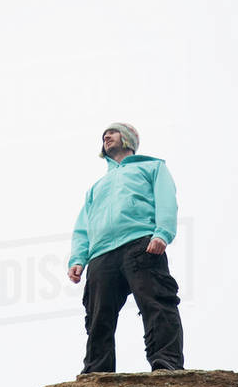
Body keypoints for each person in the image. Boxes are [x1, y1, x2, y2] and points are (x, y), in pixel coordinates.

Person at [67, 123, 185, 373]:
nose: (106, 136)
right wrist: (78, 259)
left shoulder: (153, 167)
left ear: (128, 139)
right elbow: (82, 226)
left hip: (141, 244)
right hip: (100, 255)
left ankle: (166, 364)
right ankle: (97, 372)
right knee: (98, 318)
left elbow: (166, 202)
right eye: (103, 135)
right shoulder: (96, 187)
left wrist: (162, 234)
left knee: (157, 304)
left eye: (112, 132)